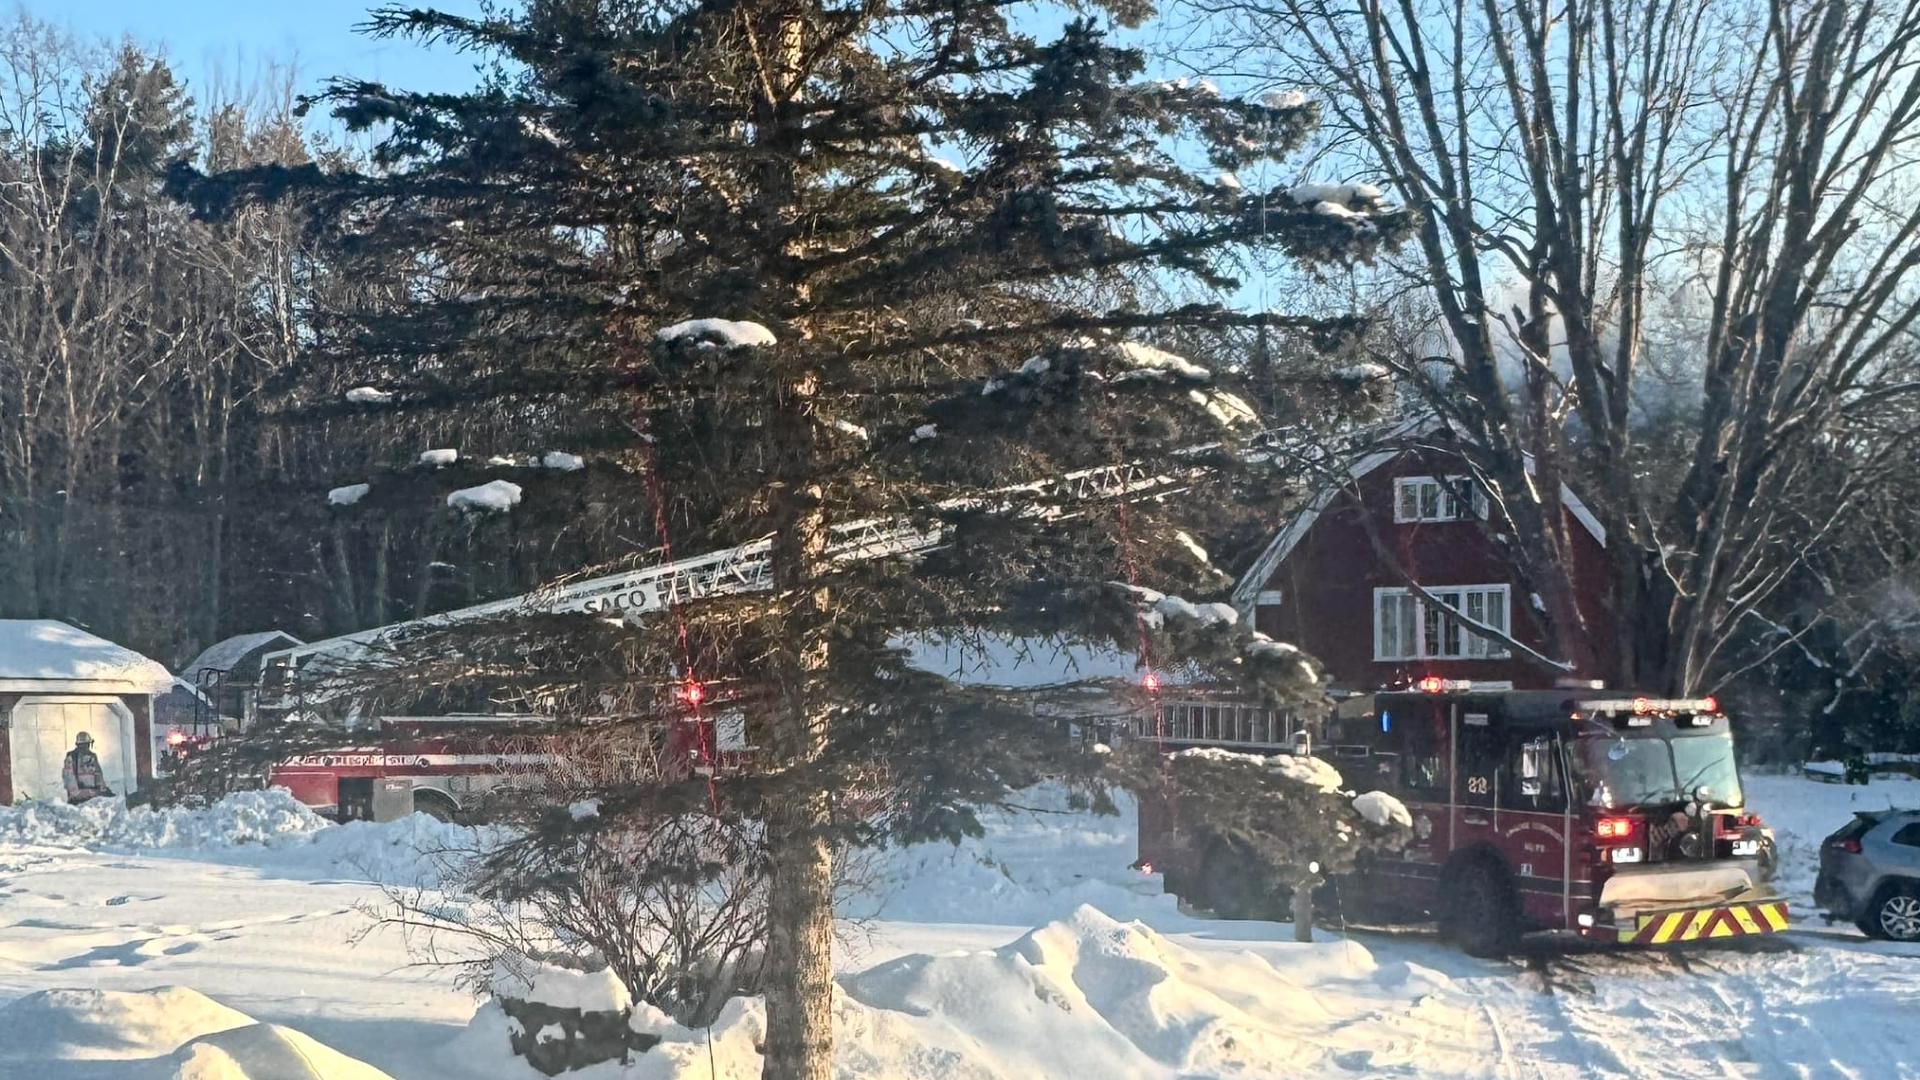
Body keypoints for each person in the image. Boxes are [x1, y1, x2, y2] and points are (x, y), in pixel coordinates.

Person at [62, 732, 114, 804]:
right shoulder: (72, 757)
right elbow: (70, 780)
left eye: (87, 744)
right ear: (78, 745)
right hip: (78, 801)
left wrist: (103, 790)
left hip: (94, 797)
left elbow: (98, 776)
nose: (86, 747)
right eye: (84, 745)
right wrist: (82, 795)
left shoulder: (92, 756)